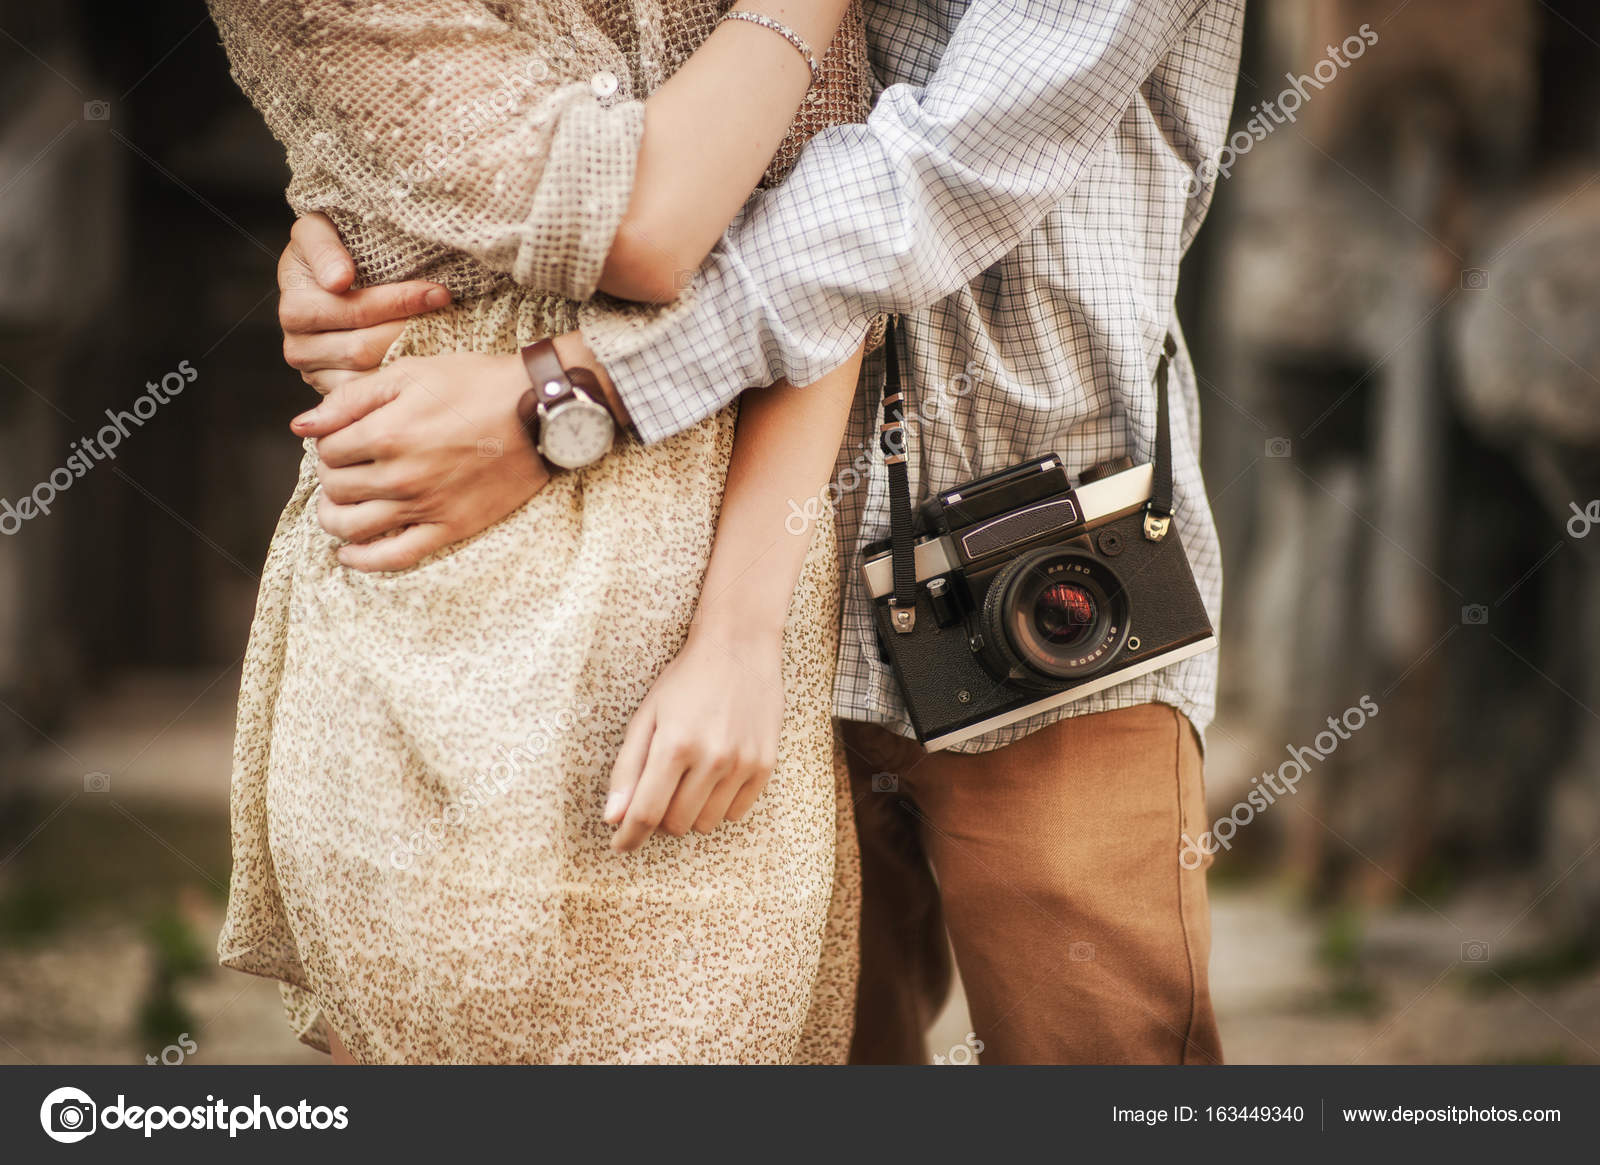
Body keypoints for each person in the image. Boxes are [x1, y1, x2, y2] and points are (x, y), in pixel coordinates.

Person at [277, 0, 1246, 1063]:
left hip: (1028, 564)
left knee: (1105, 1064)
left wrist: (570, 394)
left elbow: (933, 177)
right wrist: (381, 228)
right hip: (693, 574)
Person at [208, 0, 880, 1063]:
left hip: (729, 616)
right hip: (440, 617)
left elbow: (839, 239)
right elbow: (647, 226)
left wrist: (741, 634)